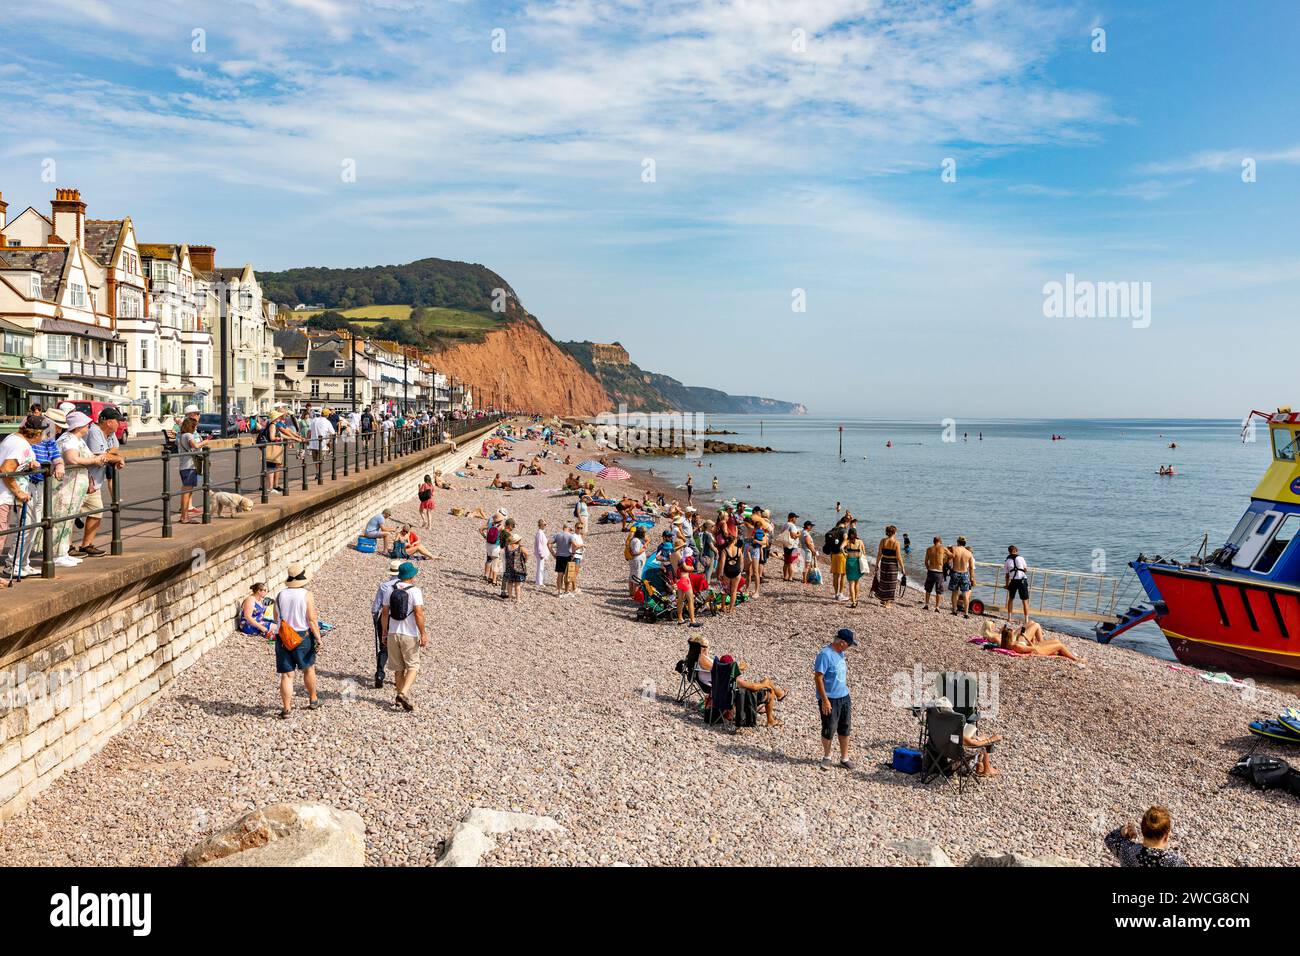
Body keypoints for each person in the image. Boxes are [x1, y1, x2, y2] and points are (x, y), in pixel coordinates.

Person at [694, 636, 787, 727]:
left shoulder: (719, 678)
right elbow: (753, 687)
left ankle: (779, 694)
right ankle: (770, 720)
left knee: (765, 682)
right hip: (738, 700)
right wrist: (764, 685)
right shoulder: (732, 679)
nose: (707, 648)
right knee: (769, 690)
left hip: (720, 700)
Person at [273, 564, 323, 718]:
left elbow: (276, 618)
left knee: (287, 675)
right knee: (308, 669)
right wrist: (319, 638)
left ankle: (287, 708)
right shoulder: (306, 595)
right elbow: (312, 619)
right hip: (302, 636)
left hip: (284, 637)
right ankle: (313, 699)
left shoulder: (280, 595)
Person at [52, 411, 100, 566]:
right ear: (79, 426)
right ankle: (57, 554)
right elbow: (72, 459)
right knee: (62, 517)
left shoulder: (76, 439)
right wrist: (93, 460)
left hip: (73, 486)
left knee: (69, 518)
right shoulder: (70, 439)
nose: (89, 426)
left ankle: (63, 552)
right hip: (66, 485)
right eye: (87, 424)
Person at [77, 408, 125, 556]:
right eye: (118, 421)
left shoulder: (109, 434)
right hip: (83, 481)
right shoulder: (95, 431)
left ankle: (86, 545)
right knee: (67, 516)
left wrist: (112, 455)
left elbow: (115, 450)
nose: (120, 424)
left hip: (94, 482)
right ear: (109, 422)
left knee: (97, 511)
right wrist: (117, 458)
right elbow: (100, 455)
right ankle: (63, 550)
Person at [380, 561, 426, 711]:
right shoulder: (415, 591)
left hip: (393, 632)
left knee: (398, 668)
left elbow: (385, 613)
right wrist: (423, 633)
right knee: (413, 666)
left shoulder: (390, 590)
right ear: (412, 576)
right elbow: (418, 613)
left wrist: (384, 632)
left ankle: (399, 700)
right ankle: (403, 693)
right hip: (409, 634)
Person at [0, 416, 40, 576]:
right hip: (4, 495)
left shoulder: (15, 439)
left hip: (7, 496)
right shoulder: (20, 444)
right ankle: (11, 568)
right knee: (1, 533)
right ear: (36, 433)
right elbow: (5, 469)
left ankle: (17, 566)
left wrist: (29, 465)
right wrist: (18, 492)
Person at [815, 628, 856, 771]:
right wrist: (825, 700)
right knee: (828, 728)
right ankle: (827, 757)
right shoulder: (825, 655)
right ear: (842, 643)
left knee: (845, 728)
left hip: (844, 697)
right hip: (830, 699)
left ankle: (844, 758)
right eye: (849, 644)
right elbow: (818, 678)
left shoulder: (841, 653)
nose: (850, 647)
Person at [932, 696, 1001, 777]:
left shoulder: (936, 722)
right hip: (957, 752)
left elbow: (957, 739)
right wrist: (991, 739)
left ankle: (981, 767)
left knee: (982, 737)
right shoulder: (951, 724)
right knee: (984, 743)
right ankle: (987, 770)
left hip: (940, 748)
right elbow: (972, 744)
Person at [1105, 807, 1188, 867]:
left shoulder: (1127, 850)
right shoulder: (1175, 862)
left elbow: (1110, 839)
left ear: (1142, 831)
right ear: (1166, 836)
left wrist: (1124, 831)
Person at [370, 558, 403, 688]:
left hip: (385, 618)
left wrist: (374, 618)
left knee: (383, 647)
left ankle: (379, 673)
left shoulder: (384, 586)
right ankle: (398, 678)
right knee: (399, 648)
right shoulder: (404, 586)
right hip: (399, 620)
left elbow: (376, 607)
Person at [999, 624, 1084, 663]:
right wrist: (1029, 641)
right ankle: (1076, 659)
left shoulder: (1008, 644)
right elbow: (1034, 649)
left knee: (1056, 641)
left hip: (1036, 648)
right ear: (1009, 637)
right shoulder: (1016, 645)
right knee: (1060, 645)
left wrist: (1026, 639)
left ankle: (1068, 654)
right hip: (1039, 650)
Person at [176, 417, 204, 524]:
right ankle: (184, 517)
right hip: (189, 467)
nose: (196, 428)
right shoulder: (188, 435)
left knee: (186, 491)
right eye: (195, 426)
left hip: (184, 466)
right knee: (187, 492)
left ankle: (184, 516)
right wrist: (204, 442)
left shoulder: (182, 436)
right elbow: (195, 446)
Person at [871, 524, 904, 608]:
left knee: (884, 581)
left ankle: (883, 599)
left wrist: (876, 564)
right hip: (892, 564)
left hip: (884, 562)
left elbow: (879, 554)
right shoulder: (896, 543)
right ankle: (888, 603)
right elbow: (899, 557)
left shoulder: (882, 541)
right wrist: (902, 567)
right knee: (891, 583)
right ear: (894, 532)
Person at [949, 536, 976, 617]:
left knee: (955, 593)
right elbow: (971, 567)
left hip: (955, 572)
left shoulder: (954, 549)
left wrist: (951, 547)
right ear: (965, 543)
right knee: (965, 594)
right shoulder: (969, 553)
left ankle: (954, 610)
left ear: (958, 542)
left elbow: (948, 553)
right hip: (964, 573)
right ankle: (966, 613)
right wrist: (972, 578)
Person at [824, 516, 848, 602]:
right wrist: (843, 546)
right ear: (846, 523)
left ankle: (836, 594)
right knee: (842, 575)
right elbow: (846, 538)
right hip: (841, 555)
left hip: (833, 555)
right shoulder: (844, 530)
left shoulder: (834, 529)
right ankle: (840, 594)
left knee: (835, 575)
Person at [842, 528, 868, 608]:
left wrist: (844, 553)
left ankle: (853, 602)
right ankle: (856, 599)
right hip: (857, 563)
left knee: (851, 583)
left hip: (850, 562)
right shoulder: (860, 542)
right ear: (856, 533)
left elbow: (841, 547)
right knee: (857, 581)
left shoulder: (847, 541)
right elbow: (864, 553)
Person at [1003, 545, 1030, 622]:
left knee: (1011, 599)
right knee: (1025, 600)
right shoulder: (1021, 558)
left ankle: (1009, 617)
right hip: (1022, 580)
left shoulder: (1007, 561)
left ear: (1009, 552)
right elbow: (1025, 569)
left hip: (1013, 581)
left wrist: (1007, 584)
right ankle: (1026, 620)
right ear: (1016, 551)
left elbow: (1007, 575)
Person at [923, 537, 948, 612]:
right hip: (939, 572)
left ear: (933, 541)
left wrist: (928, 569)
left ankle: (926, 605)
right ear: (940, 541)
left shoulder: (929, 549)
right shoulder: (943, 548)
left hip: (931, 571)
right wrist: (945, 559)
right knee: (939, 590)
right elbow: (952, 555)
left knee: (928, 589)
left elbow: (926, 562)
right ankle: (937, 607)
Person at [720, 534, 743, 612]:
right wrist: (740, 572)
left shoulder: (724, 550)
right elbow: (741, 562)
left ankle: (723, 607)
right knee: (734, 591)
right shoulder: (738, 550)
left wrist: (720, 573)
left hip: (727, 572)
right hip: (736, 571)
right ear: (734, 541)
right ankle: (731, 608)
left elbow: (722, 563)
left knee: (725, 590)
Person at [551, 521, 575, 595]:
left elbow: (548, 543)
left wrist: (553, 553)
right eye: (570, 528)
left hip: (559, 556)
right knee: (568, 574)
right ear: (567, 528)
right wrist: (573, 553)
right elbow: (575, 545)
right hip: (567, 556)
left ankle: (559, 591)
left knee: (560, 575)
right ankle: (566, 591)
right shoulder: (570, 536)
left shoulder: (557, 535)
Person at [502, 533, 527, 601]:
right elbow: (527, 554)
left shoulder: (507, 547)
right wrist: (525, 560)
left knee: (509, 583)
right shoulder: (520, 547)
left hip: (508, 567)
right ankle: (518, 599)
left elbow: (504, 555)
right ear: (518, 540)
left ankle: (510, 598)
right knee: (517, 584)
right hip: (518, 567)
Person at [626, 525, 647, 598]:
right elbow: (635, 552)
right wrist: (644, 549)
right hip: (637, 560)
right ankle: (635, 594)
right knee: (637, 577)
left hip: (634, 560)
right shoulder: (637, 541)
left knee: (632, 576)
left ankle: (631, 592)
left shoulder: (634, 539)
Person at [568, 520, 586, 594]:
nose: (580, 529)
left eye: (581, 528)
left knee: (574, 572)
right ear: (575, 528)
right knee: (574, 572)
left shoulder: (579, 536)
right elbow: (575, 546)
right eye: (578, 528)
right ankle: (574, 588)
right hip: (575, 555)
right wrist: (582, 545)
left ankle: (571, 586)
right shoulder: (573, 536)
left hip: (579, 555)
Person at [533, 519, 550, 587]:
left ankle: (539, 580)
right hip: (541, 554)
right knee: (540, 567)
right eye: (544, 524)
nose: (546, 526)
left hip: (541, 553)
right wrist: (541, 554)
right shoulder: (540, 533)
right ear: (541, 525)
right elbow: (539, 544)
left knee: (540, 567)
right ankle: (539, 582)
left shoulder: (541, 533)